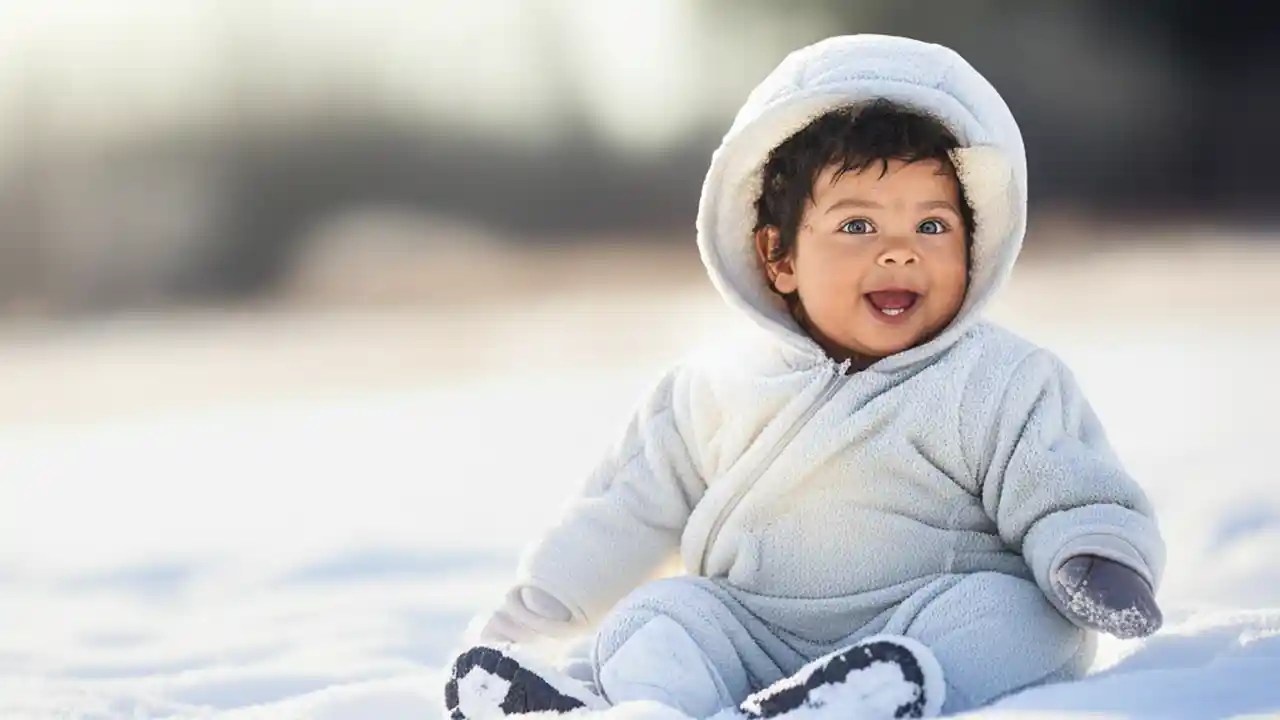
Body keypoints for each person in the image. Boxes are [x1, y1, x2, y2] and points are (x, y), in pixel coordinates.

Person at [443, 34, 1166, 720]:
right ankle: (643, 707)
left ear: (977, 243)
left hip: (926, 621)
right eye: (858, 226)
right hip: (755, 633)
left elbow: (1065, 484)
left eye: (933, 226)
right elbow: (621, 512)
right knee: (660, 616)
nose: (899, 254)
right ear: (778, 256)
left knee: (1026, 614)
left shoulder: (997, 380)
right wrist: (524, 621)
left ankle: (882, 690)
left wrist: (1093, 557)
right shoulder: (714, 384)